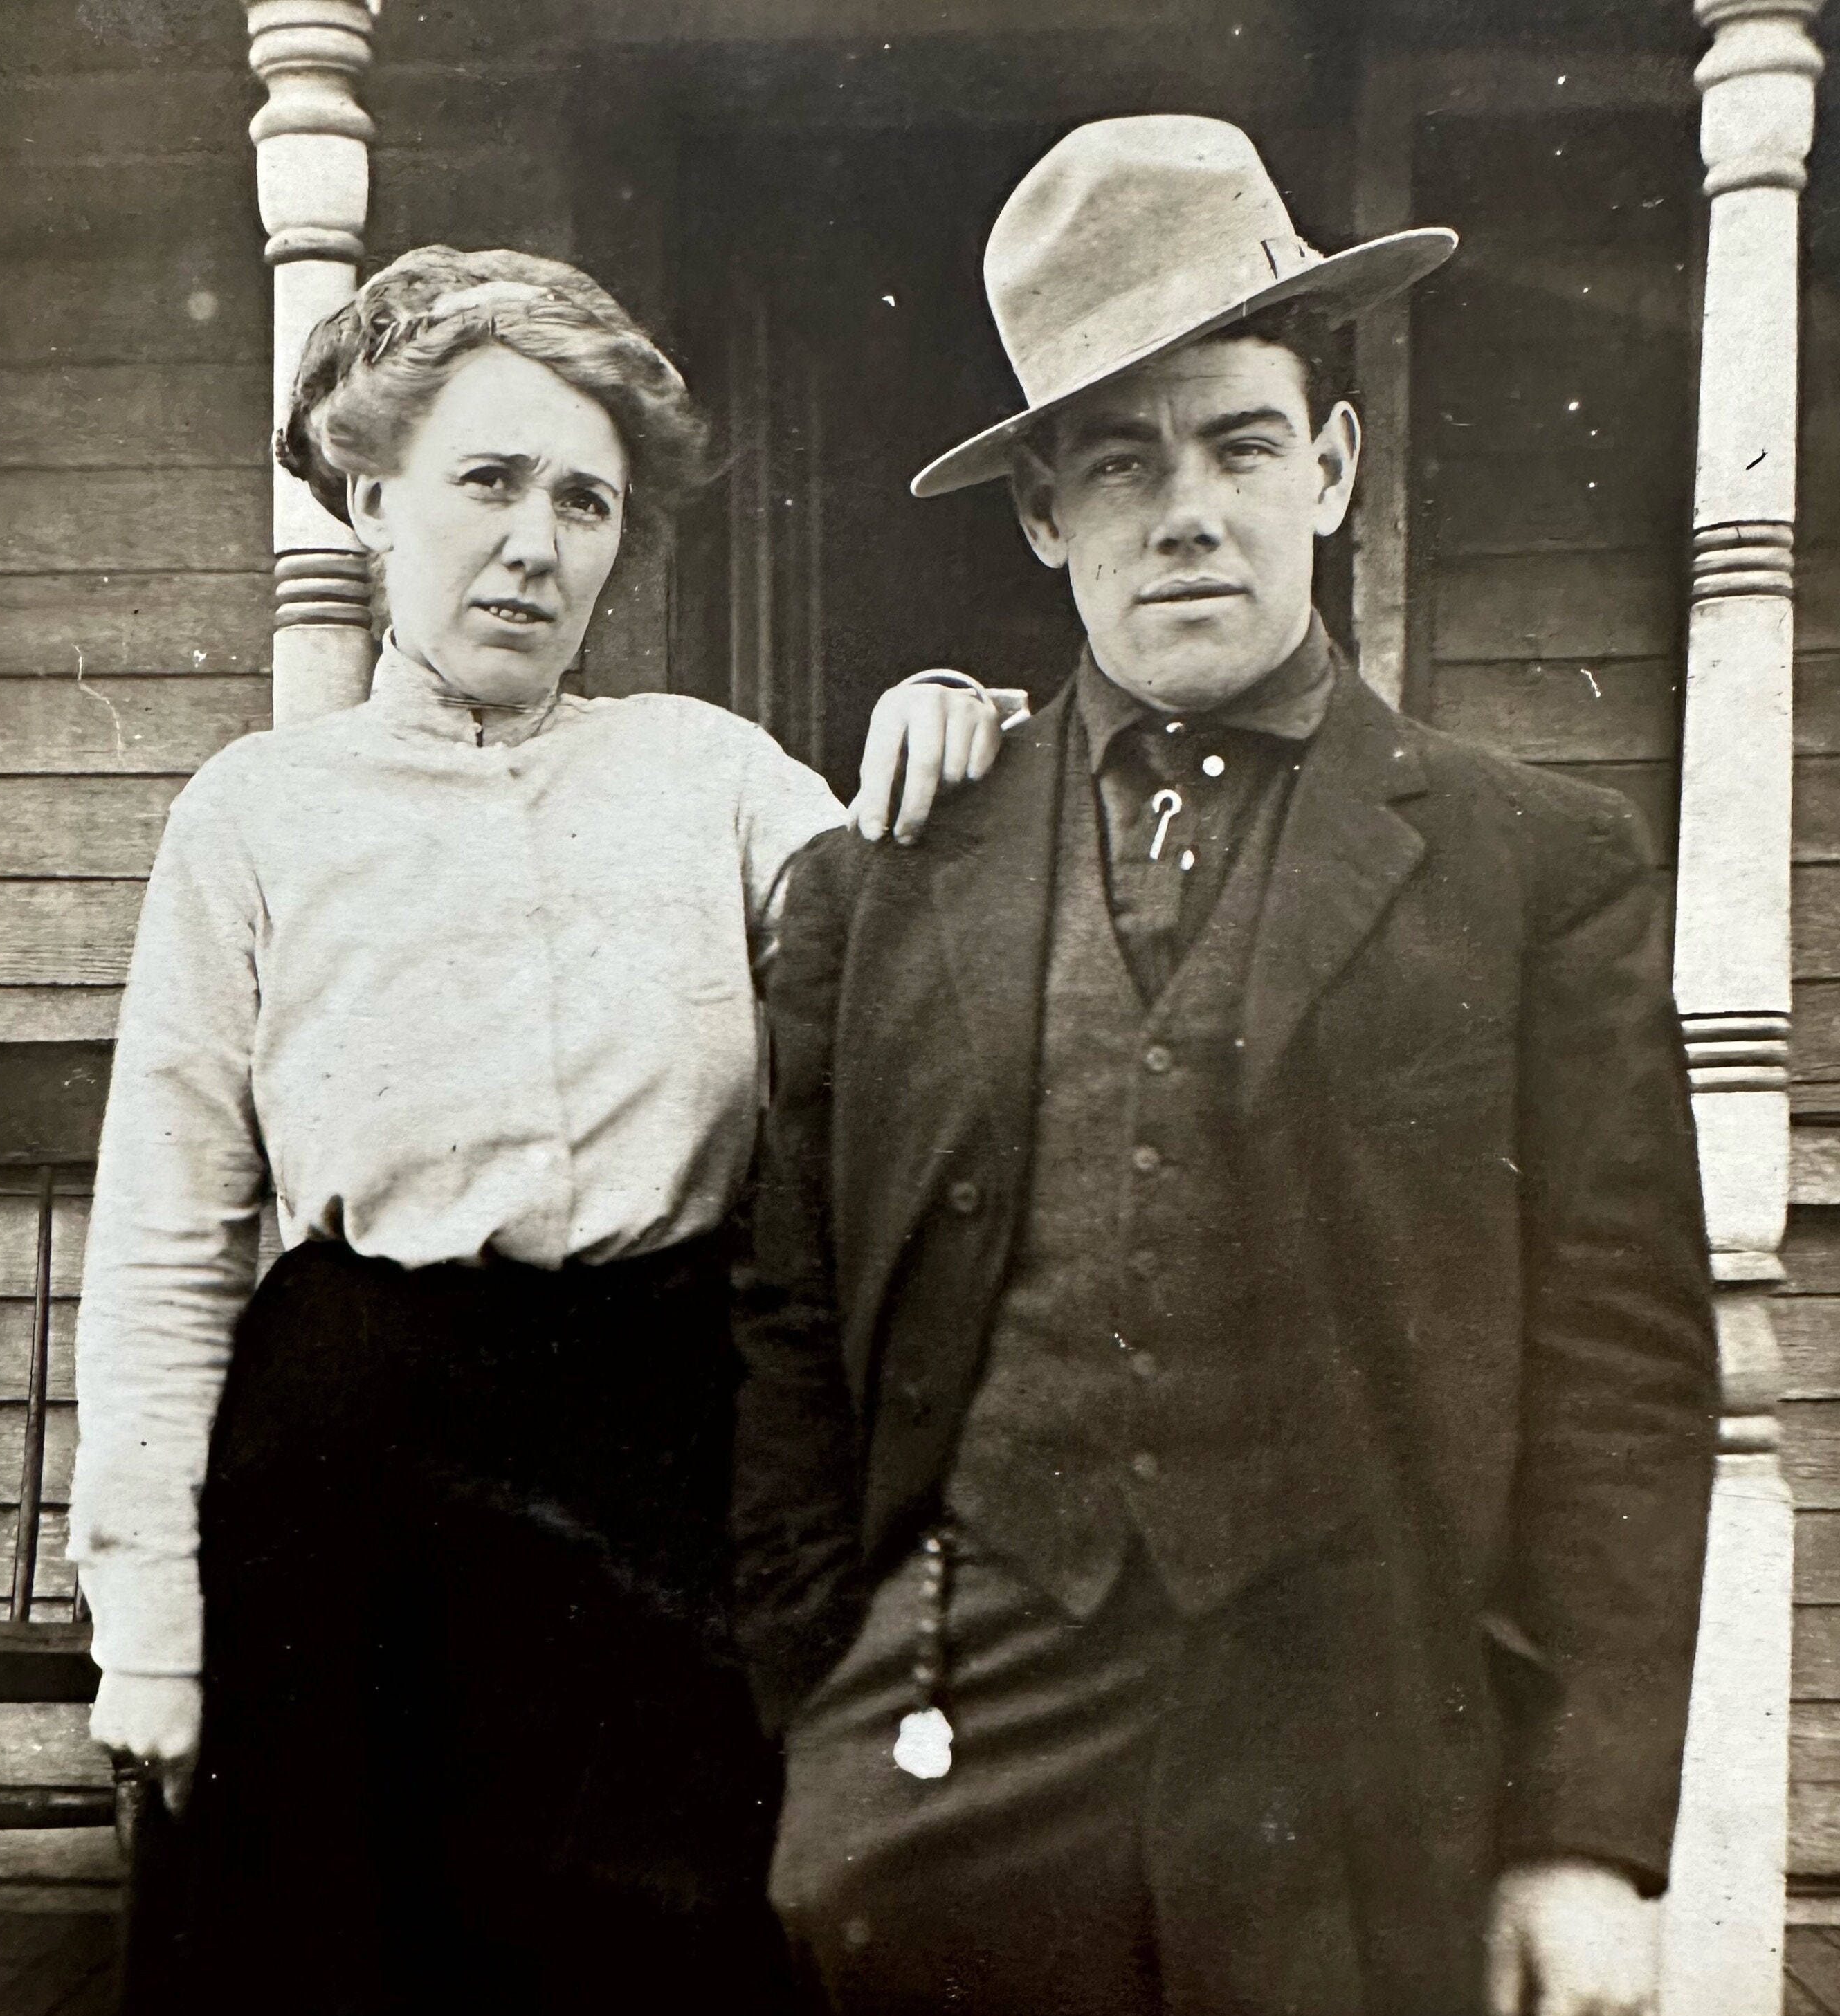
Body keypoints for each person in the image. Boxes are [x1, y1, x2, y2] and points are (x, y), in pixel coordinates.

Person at [733, 117, 1719, 2016]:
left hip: (1357, 1768)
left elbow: (1624, 1367)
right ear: (1042, 516)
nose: (1185, 508)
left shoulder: (1538, 870)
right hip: (962, 1756)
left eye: (1242, 443)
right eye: (1120, 460)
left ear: (1333, 468)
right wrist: (820, 1739)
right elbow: (788, 1335)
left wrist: (1583, 1832)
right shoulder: (882, 881)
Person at [67, 245, 1012, 2016]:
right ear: (370, 494)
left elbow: (909, 955)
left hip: (653, 1474)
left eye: (584, 500)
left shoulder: (711, 774)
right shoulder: (256, 815)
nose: (537, 541)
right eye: (487, 480)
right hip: (346, 1485)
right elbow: (166, 1240)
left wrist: (955, 735)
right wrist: (150, 1624)